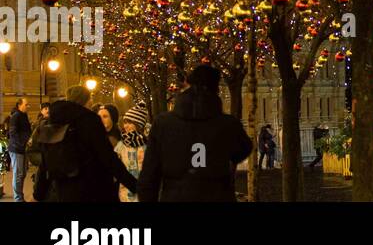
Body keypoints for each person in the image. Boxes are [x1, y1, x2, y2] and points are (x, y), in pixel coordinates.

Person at [137, 64, 252, 202]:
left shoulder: (163, 123)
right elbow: (244, 148)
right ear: (215, 89)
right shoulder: (227, 124)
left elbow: (149, 175)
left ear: (188, 85)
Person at [32, 85, 138, 202]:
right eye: (90, 99)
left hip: (63, 190)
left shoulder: (55, 121)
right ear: (86, 101)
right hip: (92, 189)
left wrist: (38, 193)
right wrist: (134, 185)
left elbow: (46, 161)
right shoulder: (90, 121)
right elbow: (108, 158)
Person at [115, 102, 150, 203]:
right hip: (125, 192)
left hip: (143, 191)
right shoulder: (121, 145)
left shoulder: (146, 145)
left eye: (130, 123)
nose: (126, 126)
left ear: (138, 125)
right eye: (125, 122)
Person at [7, 98, 31, 202]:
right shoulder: (16, 116)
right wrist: (22, 144)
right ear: (19, 105)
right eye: (26, 105)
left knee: (23, 174)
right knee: (18, 175)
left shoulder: (24, 115)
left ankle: (20, 197)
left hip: (23, 148)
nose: (28, 106)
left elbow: (26, 131)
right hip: (16, 149)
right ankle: (18, 199)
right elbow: (13, 134)